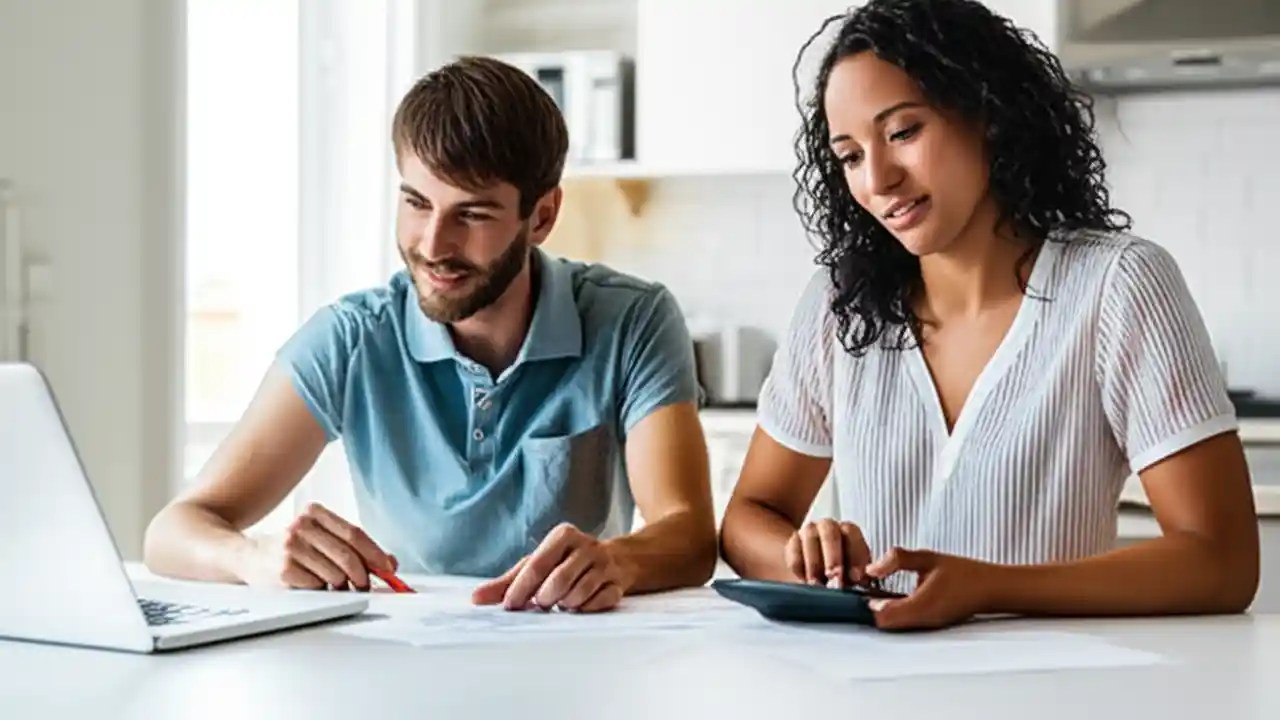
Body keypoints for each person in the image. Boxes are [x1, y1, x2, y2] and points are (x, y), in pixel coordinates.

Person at [719, 0, 1259, 630]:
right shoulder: (838, 306)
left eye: (903, 132)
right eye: (850, 156)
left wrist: (988, 587)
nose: (879, 179)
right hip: (871, 677)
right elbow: (746, 518)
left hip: (1059, 676)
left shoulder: (1117, 285)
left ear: (990, 115)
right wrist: (811, 562)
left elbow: (1222, 562)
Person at [144, 56, 717, 613]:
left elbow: (688, 536)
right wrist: (253, 557)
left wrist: (617, 561)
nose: (433, 244)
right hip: (404, 649)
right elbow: (172, 531)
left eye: (472, 215)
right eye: (417, 203)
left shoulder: (633, 321)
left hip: (574, 649)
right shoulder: (352, 338)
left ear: (541, 217)